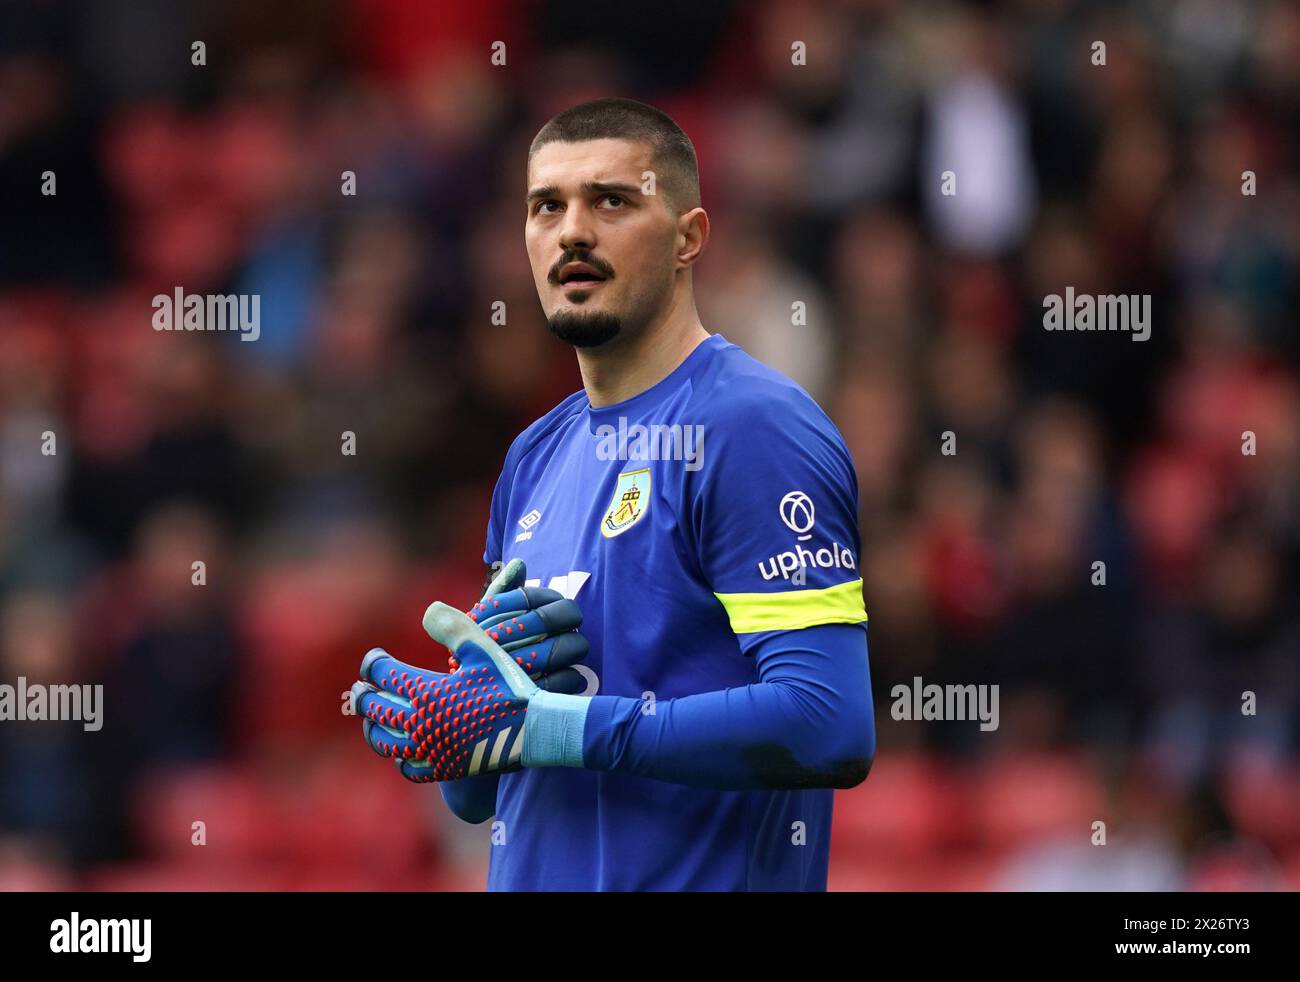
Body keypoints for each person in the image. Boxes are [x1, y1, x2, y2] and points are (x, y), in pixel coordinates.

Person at [352, 97, 874, 891]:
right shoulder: (534, 456)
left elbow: (828, 721)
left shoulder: (751, 428)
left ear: (689, 238)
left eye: (612, 201)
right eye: (546, 207)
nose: (573, 232)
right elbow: (491, 788)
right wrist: (461, 725)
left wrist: (570, 729)